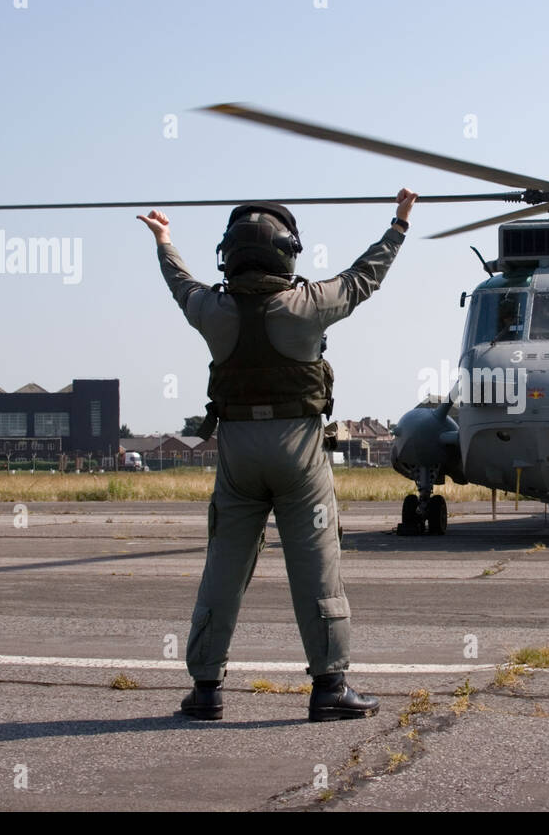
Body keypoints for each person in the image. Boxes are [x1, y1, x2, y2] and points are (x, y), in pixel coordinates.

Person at [138, 188, 418, 722]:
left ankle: (205, 689)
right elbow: (364, 278)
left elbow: (181, 284)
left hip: (238, 456)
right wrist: (398, 225)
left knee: (223, 567)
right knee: (316, 565)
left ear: (230, 255)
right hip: (299, 456)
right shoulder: (306, 304)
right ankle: (329, 686)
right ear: (287, 253)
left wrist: (165, 242)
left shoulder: (212, 310)